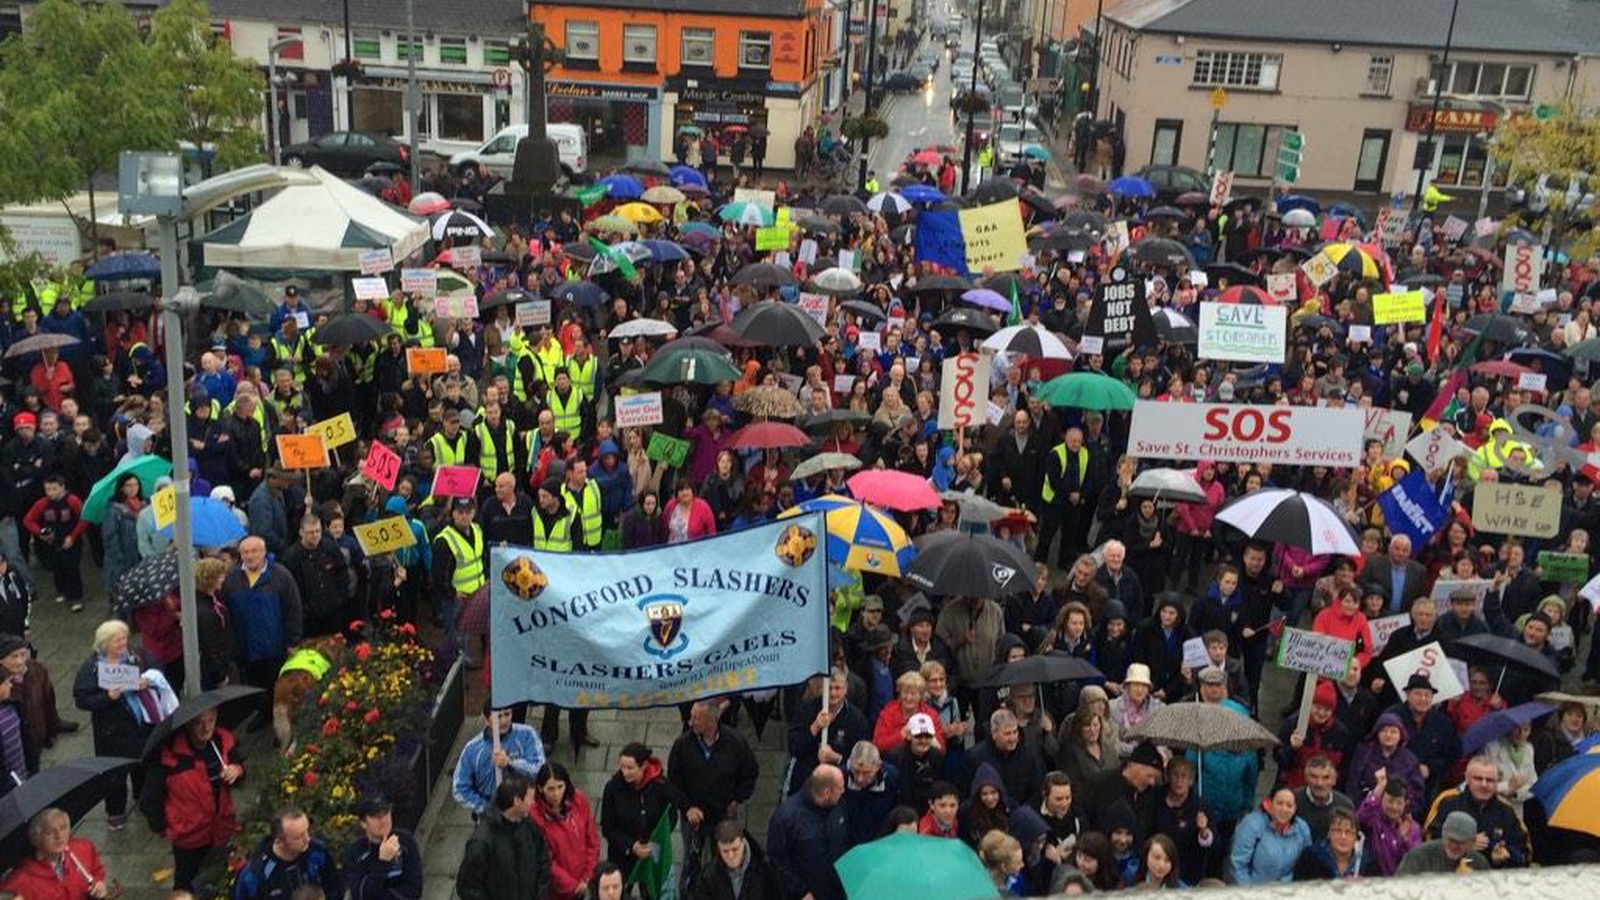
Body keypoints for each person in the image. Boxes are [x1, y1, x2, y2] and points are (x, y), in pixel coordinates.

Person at [139, 705, 245, 890]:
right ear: (188, 725)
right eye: (199, 723)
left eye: (211, 721)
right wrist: (166, 828)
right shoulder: (169, 756)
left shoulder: (222, 743)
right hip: (189, 837)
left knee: (221, 878)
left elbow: (240, 769)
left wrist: (237, 771)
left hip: (221, 829)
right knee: (186, 885)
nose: (206, 728)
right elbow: (149, 800)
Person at [72, 619, 157, 830]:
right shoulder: (92, 668)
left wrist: (148, 680)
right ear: (104, 643)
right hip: (112, 733)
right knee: (114, 773)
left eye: (124, 638)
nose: (122, 643)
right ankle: (116, 812)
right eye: (117, 640)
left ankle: (142, 798)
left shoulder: (135, 658)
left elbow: (156, 671)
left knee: (141, 764)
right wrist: (107, 697)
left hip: (139, 724)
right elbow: (82, 699)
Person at [221, 536, 304, 726]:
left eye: (254, 551)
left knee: (279, 687)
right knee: (256, 686)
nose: (250, 556)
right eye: (245, 552)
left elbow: (294, 609)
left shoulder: (281, 575)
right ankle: (263, 714)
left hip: (276, 647)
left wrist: (293, 641)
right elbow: (227, 614)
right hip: (247, 648)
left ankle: (282, 723)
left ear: (264, 552)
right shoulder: (232, 579)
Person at [668, 701, 760, 871]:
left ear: (711, 720)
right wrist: (686, 808)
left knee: (722, 860)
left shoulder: (736, 743)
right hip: (693, 820)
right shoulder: (682, 744)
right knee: (691, 861)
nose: (690, 722)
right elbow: (673, 780)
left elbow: (750, 773)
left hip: (722, 816)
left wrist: (737, 799)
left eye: (696, 719)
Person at [1421, 756, 1530, 868]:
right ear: (1467, 778)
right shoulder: (1447, 801)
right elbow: (1429, 838)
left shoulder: (1508, 811)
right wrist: (1463, 845)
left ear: (1497, 783)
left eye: (1490, 780)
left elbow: (1524, 853)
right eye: (1478, 779)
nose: (1484, 784)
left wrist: (1507, 856)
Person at [457, 773, 553, 900]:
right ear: (517, 801)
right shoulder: (482, 842)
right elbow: (468, 888)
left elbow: (543, 860)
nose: (533, 803)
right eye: (530, 798)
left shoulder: (529, 825)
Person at [765, 764, 848, 900]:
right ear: (827, 793)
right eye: (840, 788)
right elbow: (777, 860)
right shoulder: (786, 818)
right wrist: (801, 892)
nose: (843, 791)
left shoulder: (838, 805)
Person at [453, 701, 548, 818]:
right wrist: (486, 808)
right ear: (487, 719)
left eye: (507, 714)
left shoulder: (527, 734)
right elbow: (460, 788)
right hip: (490, 815)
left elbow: (540, 769)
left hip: (524, 811)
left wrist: (511, 762)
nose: (504, 721)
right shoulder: (472, 749)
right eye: (498, 716)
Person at [598, 742, 675, 883]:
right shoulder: (613, 788)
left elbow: (670, 817)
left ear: (644, 766)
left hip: (653, 849)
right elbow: (608, 827)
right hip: (622, 854)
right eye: (622, 767)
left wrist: (654, 841)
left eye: (630, 768)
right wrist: (632, 846)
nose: (624, 772)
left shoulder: (662, 786)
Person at [233, 806, 344, 900]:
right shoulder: (256, 872)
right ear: (279, 841)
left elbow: (335, 890)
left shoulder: (317, 852)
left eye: (307, 831)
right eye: (298, 837)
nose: (307, 839)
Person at [1, 808, 107, 900]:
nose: (59, 836)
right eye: (50, 832)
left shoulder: (84, 849)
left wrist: (98, 886)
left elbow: (97, 873)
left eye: (63, 828)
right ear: (35, 839)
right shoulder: (20, 880)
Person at [529, 763, 600, 900]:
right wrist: (574, 886)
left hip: (583, 881)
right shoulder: (535, 817)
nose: (556, 793)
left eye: (560, 787)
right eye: (550, 789)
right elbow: (546, 859)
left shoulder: (579, 800)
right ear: (540, 788)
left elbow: (592, 839)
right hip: (557, 891)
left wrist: (587, 877)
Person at [341, 795, 423, 900]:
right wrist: (383, 863)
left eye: (386, 814)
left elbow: (414, 891)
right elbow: (361, 894)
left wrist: (379, 895)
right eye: (377, 817)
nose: (384, 821)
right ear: (363, 823)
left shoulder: (406, 842)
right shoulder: (355, 851)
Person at [1229, 788, 1312, 885]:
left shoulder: (1302, 828)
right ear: (1269, 804)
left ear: (1295, 809)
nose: (1284, 809)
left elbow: (1305, 864)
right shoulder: (1251, 824)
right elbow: (1238, 865)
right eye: (1279, 803)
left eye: (1289, 805)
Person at [691, 820, 780, 900]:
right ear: (718, 848)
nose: (731, 856)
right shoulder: (708, 876)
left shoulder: (765, 870)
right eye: (725, 851)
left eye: (735, 849)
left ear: (743, 843)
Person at [1396, 810, 1490, 875]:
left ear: (1472, 843)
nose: (1453, 846)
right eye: (1451, 840)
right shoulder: (1418, 857)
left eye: (1460, 842)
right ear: (1443, 834)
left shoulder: (1479, 864)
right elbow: (1400, 889)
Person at [1293, 806, 1375, 880]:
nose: (1343, 836)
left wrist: (1364, 886)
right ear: (1329, 833)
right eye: (1338, 831)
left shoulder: (1368, 863)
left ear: (1356, 837)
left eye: (1349, 832)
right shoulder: (1310, 858)